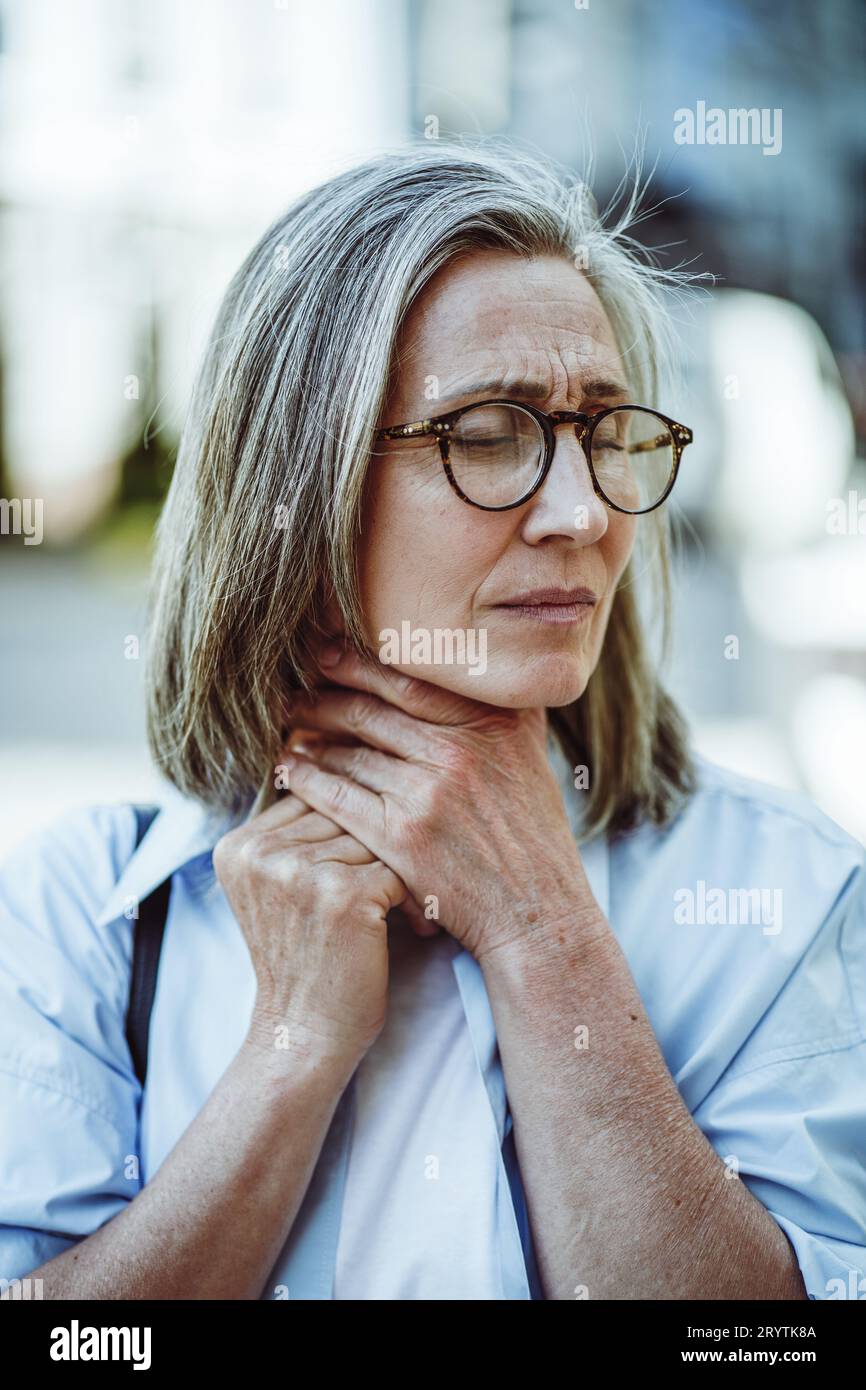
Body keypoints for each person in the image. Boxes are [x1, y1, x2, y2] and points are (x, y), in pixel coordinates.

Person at [1, 143, 864, 1301]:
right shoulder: (83, 915)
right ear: (295, 485)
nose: (579, 511)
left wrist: (543, 933)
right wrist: (292, 1049)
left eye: (606, 430)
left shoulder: (785, 895)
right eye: (486, 434)